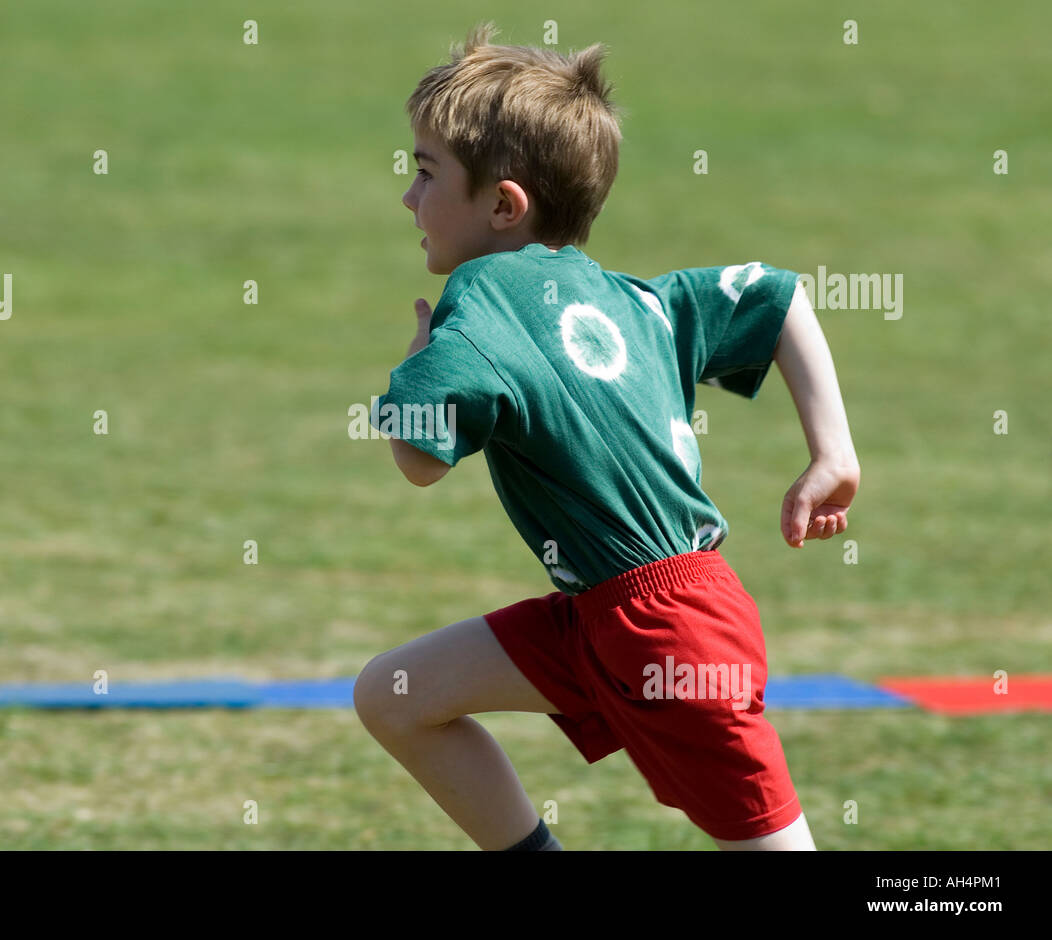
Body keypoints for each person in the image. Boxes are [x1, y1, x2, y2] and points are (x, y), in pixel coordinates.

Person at [354, 22, 859, 850]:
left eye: (425, 173)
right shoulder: (638, 300)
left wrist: (417, 364)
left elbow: (417, 461)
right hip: (616, 612)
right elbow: (778, 297)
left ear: (504, 205)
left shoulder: (480, 298)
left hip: (669, 632)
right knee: (397, 694)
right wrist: (832, 453)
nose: (410, 199)